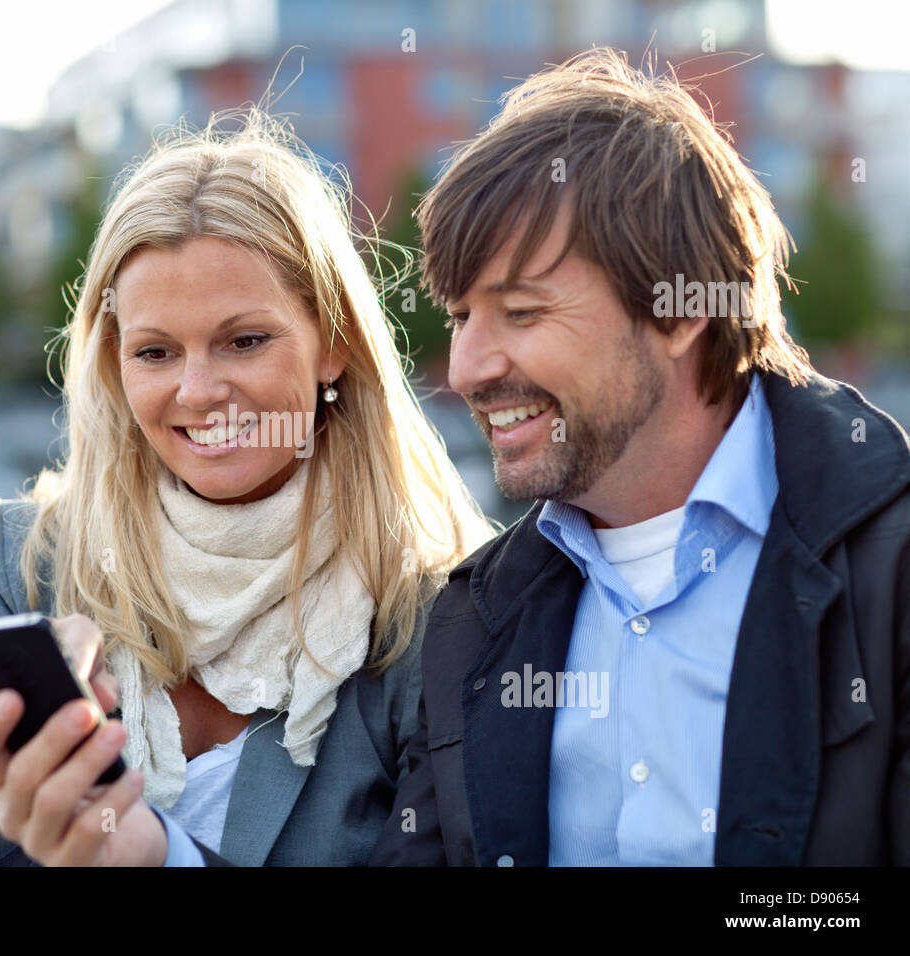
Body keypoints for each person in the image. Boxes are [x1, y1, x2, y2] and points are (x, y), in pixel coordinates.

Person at [0, 108, 491, 866]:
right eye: (157, 352)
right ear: (115, 364)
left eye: (244, 341)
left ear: (333, 344)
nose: (199, 392)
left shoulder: (431, 615)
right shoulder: (20, 564)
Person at [372, 48, 910, 866]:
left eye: (520, 312)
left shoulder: (892, 571)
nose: (470, 368)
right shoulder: (471, 620)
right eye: (460, 316)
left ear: (680, 308)